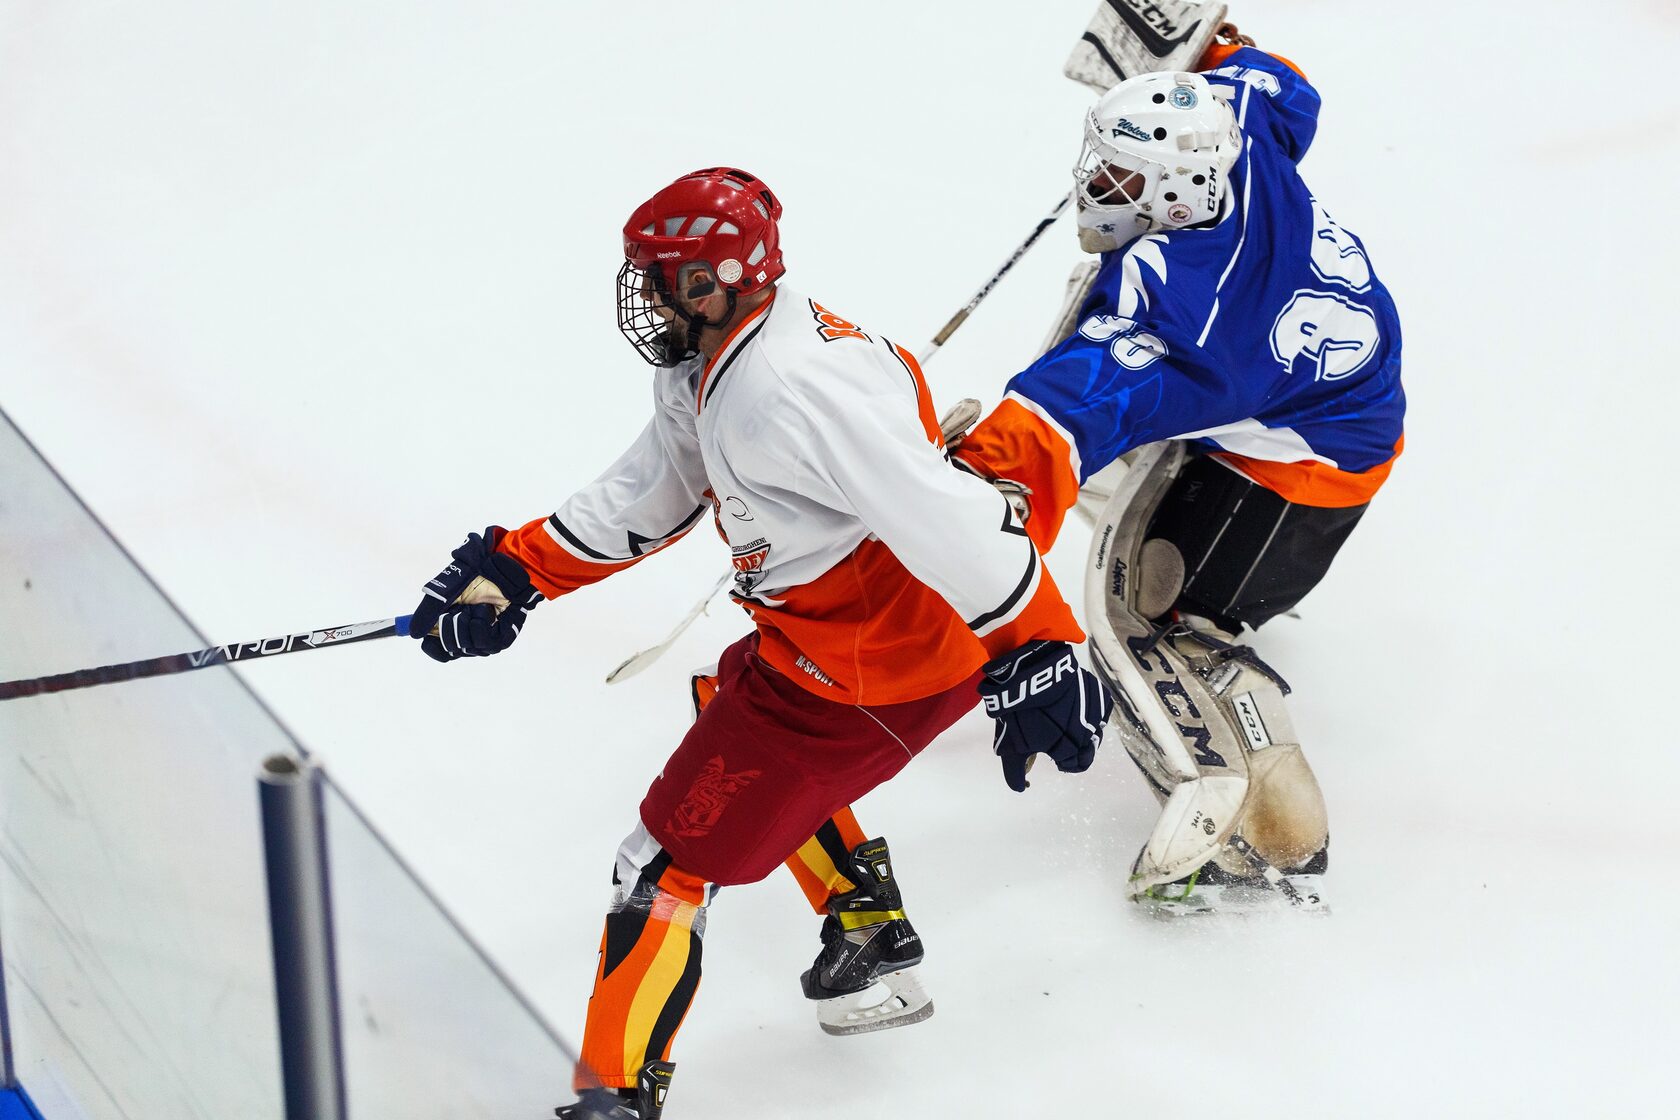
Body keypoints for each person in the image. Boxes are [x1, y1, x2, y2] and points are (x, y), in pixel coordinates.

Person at [405, 166, 1111, 1119]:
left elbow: (947, 519)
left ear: (718, 280)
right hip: (844, 645)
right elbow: (657, 485)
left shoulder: (789, 389)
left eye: (665, 276)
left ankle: (612, 1099)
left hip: (870, 670)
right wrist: (522, 568)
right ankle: (864, 922)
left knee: (657, 869)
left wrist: (1039, 646)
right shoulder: (713, 359)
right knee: (721, 689)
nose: (646, 294)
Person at [951, 39, 1404, 907]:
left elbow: (1059, 419)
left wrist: (963, 482)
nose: (1096, 188)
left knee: (1146, 610)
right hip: (1313, 385)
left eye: (1121, 180)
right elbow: (1281, 83)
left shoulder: (1182, 318)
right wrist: (1207, 47)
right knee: (1115, 437)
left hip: (1306, 470)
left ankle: (1267, 822)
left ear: (1172, 191)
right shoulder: (1231, 124)